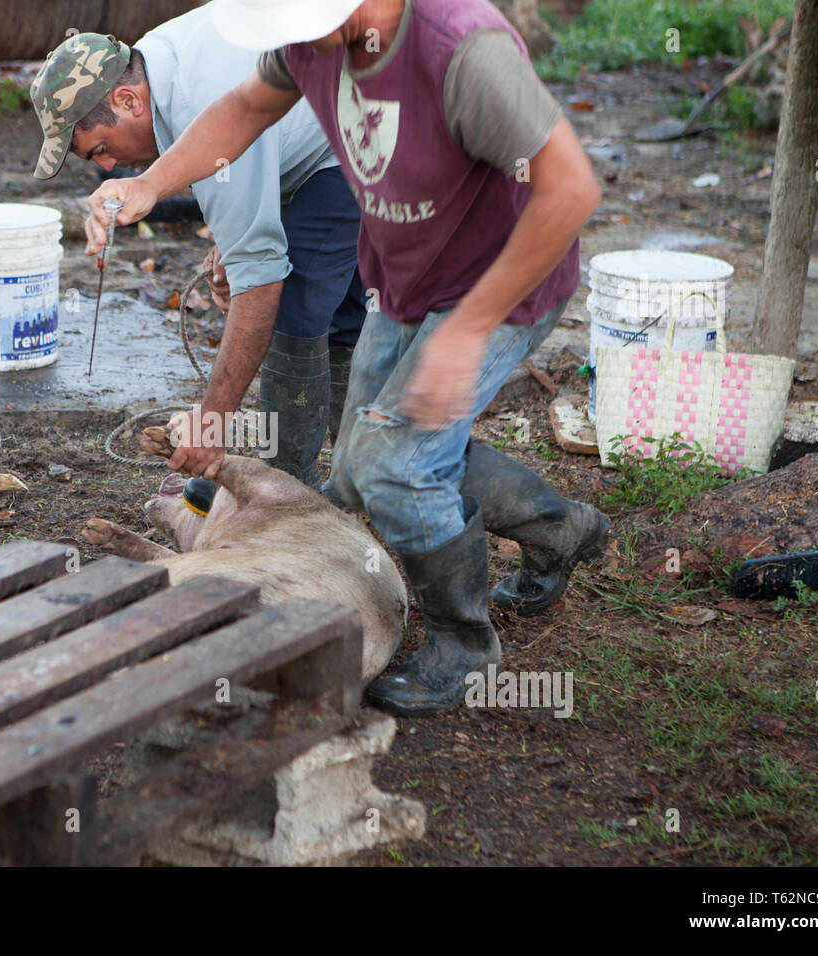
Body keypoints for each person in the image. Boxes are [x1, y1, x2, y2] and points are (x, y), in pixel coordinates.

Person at [82, 0, 611, 716]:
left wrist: (466, 331)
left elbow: (572, 188)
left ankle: (465, 644)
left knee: (398, 468)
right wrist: (149, 184)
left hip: (499, 282)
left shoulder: (462, 49)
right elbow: (243, 110)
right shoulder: (309, 40)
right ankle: (562, 530)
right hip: (408, 282)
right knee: (364, 467)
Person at [30, 9, 366, 487]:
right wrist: (230, 239)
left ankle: (286, 490)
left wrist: (212, 423)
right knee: (344, 314)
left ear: (127, 99)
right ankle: (365, 483)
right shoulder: (151, 61)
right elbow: (239, 165)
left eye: (99, 147)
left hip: (365, 136)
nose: (107, 165)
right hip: (342, 111)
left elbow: (261, 281)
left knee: (295, 299)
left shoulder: (195, 96)